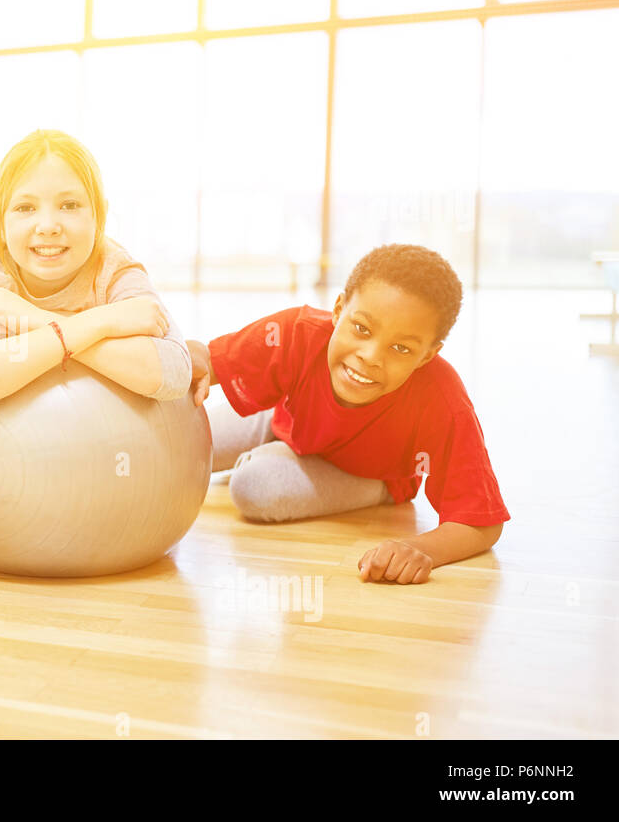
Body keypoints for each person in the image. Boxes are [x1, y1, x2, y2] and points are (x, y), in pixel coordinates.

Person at [187, 244, 508, 584]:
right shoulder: (298, 331)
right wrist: (188, 359)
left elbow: (481, 520)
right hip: (283, 420)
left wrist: (422, 548)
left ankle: (380, 491)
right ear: (338, 310)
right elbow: (206, 358)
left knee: (253, 486)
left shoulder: (443, 399)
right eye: (362, 329)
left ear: (427, 356)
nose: (370, 356)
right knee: (186, 438)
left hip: (365, 473)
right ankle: (269, 447)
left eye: (402, 349)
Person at [0, 129, 210, 409]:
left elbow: (174, 372)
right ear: (1, 223)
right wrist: (105, 322)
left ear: (99, 218)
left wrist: (34, 318)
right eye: (25, 207)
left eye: (69, 205)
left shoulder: (114, 268)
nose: (47, 226)